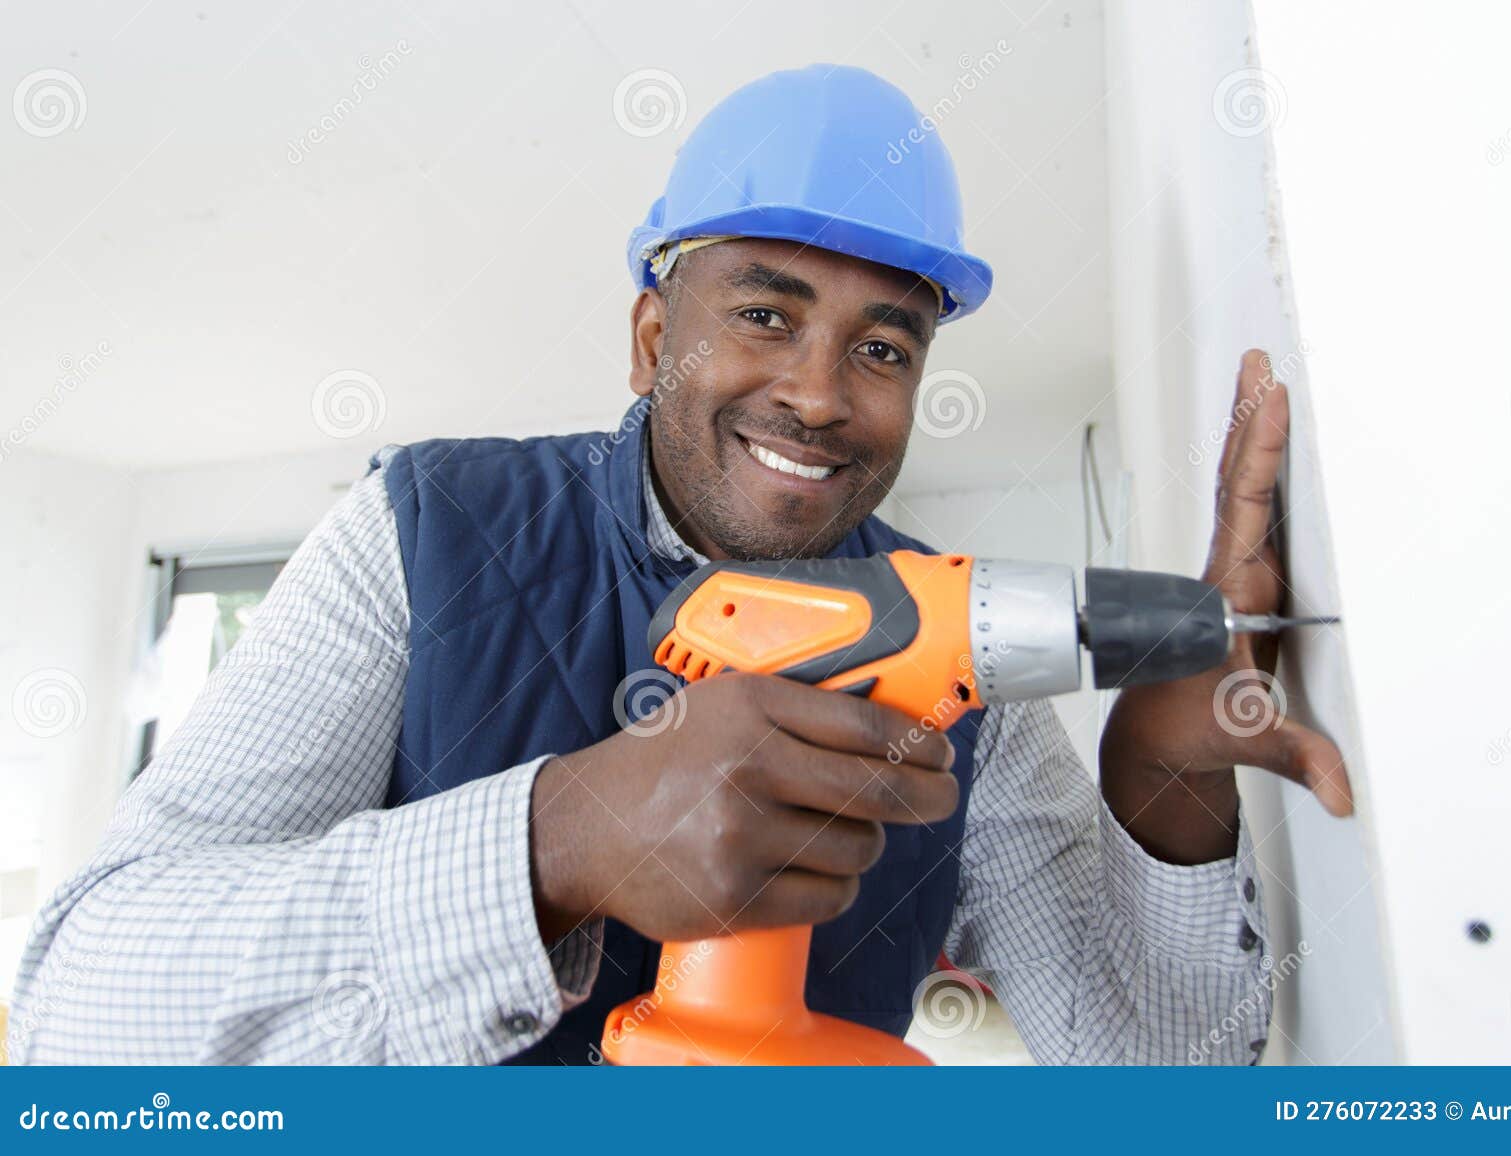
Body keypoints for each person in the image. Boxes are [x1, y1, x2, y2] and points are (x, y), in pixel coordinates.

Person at [8, 64, 1349, 1066]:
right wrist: (558, 841)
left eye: (883, 348)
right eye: (765, 313)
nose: (821, 396)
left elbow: (1162, 1081)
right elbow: (80, 1015)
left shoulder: (953, 662)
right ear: (655, 341)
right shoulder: (421, 537)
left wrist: (1168, 784)